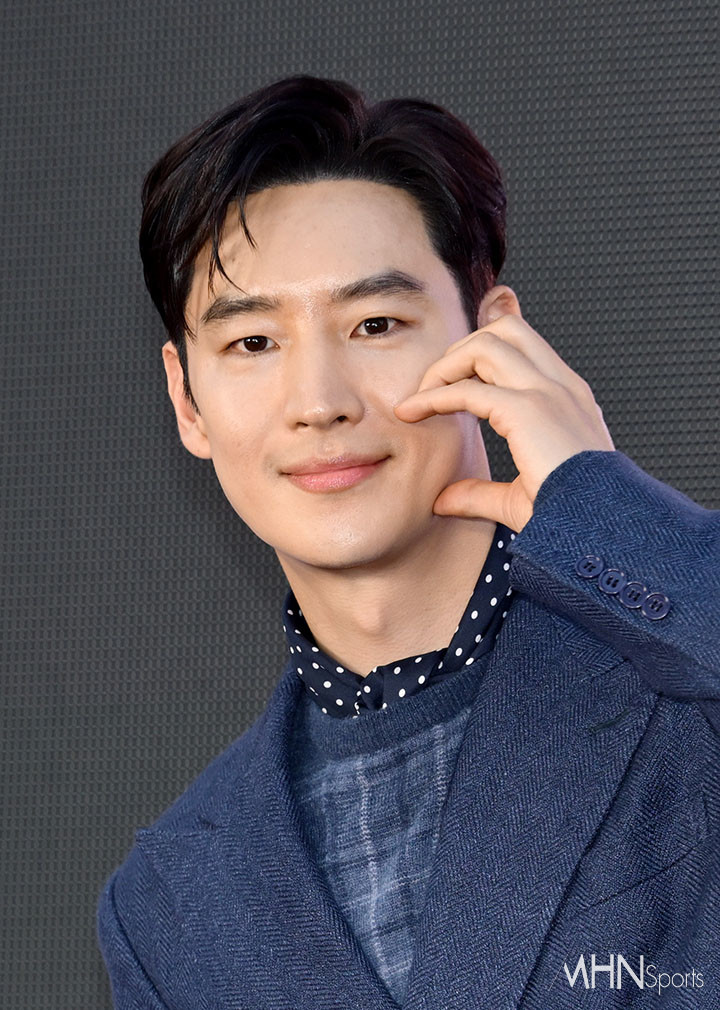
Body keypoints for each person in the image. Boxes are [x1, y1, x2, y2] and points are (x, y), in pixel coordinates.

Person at [96, 74, 720, 1009]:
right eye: (253, 343)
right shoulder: (164, 912)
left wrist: (600, 504)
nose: (319, 402)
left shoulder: (685, 691)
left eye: (376, 324)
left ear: (494, 338)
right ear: (187, 400)